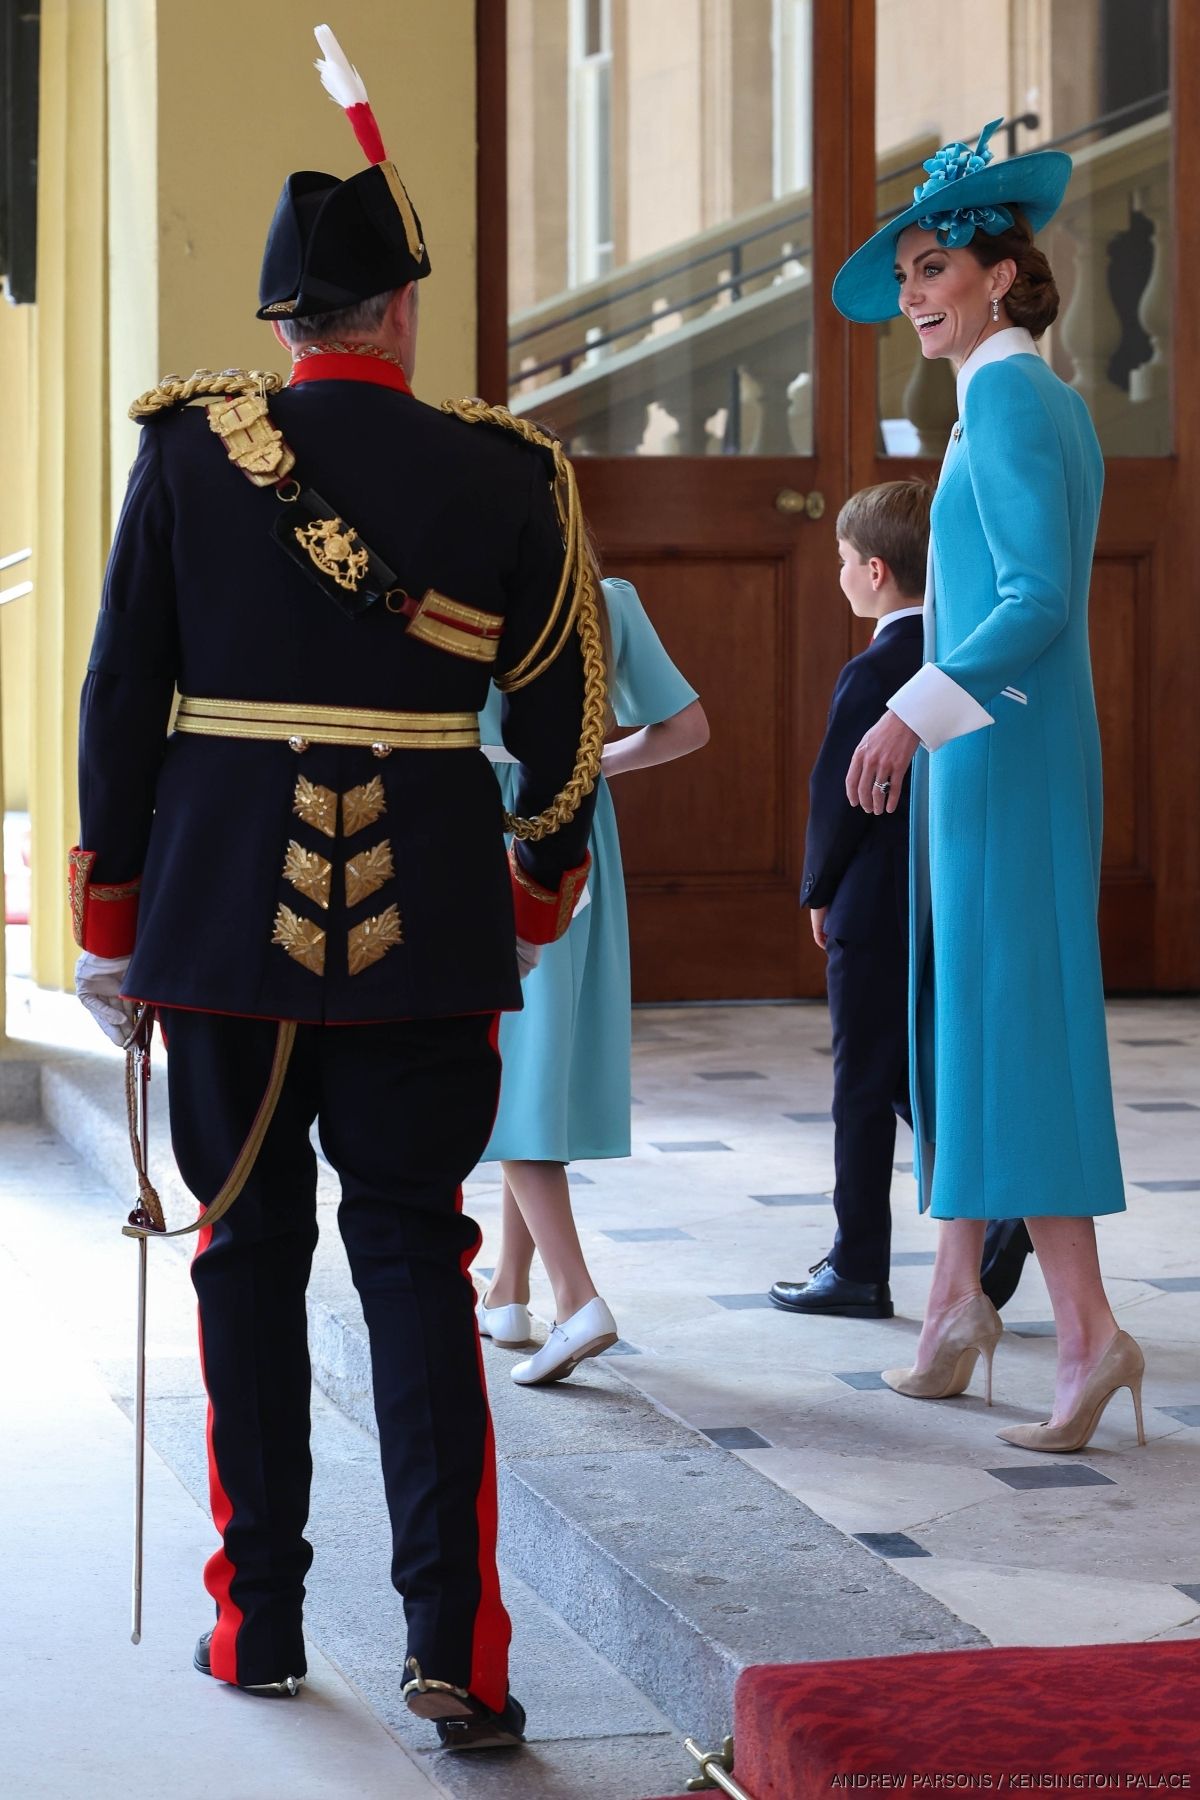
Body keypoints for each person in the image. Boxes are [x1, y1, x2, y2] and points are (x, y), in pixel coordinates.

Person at [71, 28, 603, 1752]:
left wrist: (112, 924)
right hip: (430, 928)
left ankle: (267, 1628)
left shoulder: (184, 451)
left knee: (246, 1258)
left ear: (286, 322)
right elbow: (564, 708)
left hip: (222, 920)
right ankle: (455, 1652)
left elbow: (116, 698)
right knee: (415, 1271)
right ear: (398, 315)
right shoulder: (508, 473)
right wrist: (531, 889)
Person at [829, 117, 1144, 1452]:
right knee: (970, 1031)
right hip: (999, 761)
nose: (913, 292)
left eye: (935, 266)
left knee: (1010, 1038)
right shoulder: (1013, 401)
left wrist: (909, 710)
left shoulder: (1013, 399)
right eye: (904, 274)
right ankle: (956, 1305)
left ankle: (1087, 1334)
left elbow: (1032, 602)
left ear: (1002, 277)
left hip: (1001, 760)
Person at [475, 576, 708, 1385]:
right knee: (533, 1069)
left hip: (489, 829)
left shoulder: (457, 583)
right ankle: (509, 1290)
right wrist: (593, 762)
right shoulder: (605, 597)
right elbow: (686, 726)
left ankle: (578, 1302)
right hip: (576, 837)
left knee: (506, 1071)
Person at [769, 480, 928, 1322]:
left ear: (873, 571)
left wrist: (818, 891)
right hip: (936, 898)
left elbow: (839, 793)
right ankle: (1001, 1204)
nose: (837, 575)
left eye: (838, 561)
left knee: (863, 1084)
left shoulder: (876, 668)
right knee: (912, 1069)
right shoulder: (953, 655)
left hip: (871, 903)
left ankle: (858, 1263)